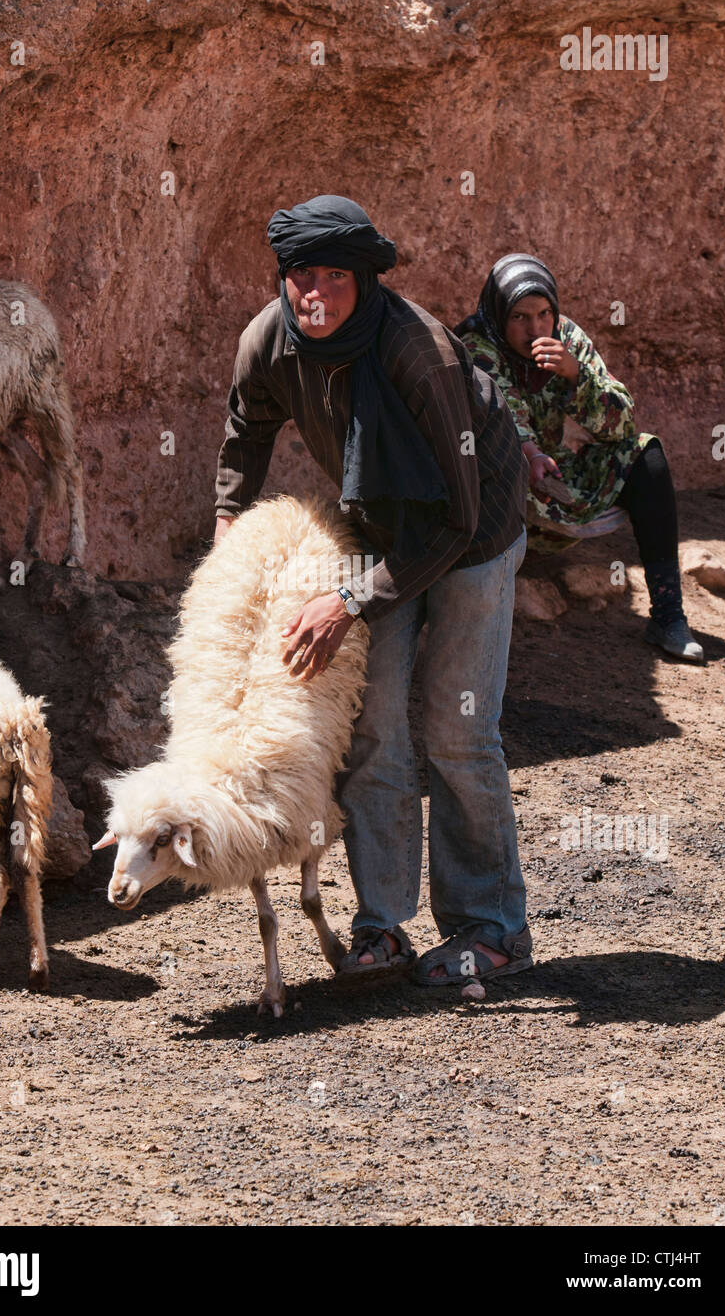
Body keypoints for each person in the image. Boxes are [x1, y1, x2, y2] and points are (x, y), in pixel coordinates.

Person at [213, 194, 533, 987]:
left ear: (365, 279)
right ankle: (380, 927)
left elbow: (455, 521)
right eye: (299, 277)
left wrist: (349, 603)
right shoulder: (270, 339)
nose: (314, 295)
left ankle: (489, 928)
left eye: (334, 277)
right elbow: (246, 432)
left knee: (458, 732)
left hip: (473, 536)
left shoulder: (417, 352)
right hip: (383, 532)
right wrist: (227, 531)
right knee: (374, 727)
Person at [456, 254, 704, 663]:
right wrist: (530, 455)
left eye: (544, 314)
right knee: (490, 468)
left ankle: (667, 614)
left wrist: (577, 376)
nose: (535, 329)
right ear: (499, 315)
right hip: (505, 485)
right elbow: (500, 413)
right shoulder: (477, 347)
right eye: (519, 317)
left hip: (560, 476)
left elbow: (621, 422)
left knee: (646, 454)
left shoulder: (567, 339)